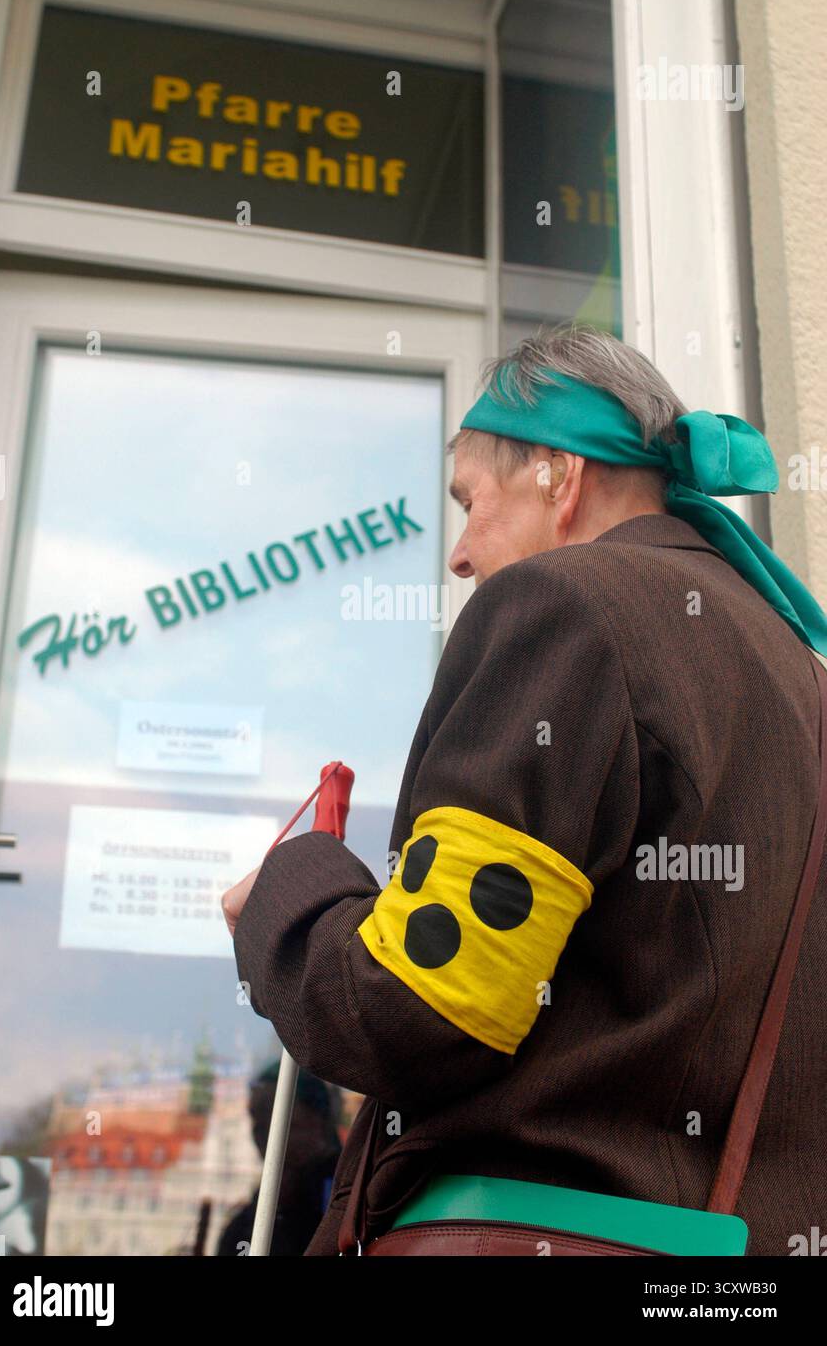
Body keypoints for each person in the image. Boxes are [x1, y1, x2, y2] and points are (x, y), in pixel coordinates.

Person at [222, 323, 827, 1256]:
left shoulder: (566, 607)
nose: (459, 556)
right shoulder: (804, 676)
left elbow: (422, 1005)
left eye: (470, 501)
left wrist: (287, 897)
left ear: (559, 474)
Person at [215, 1063, 343, 1257]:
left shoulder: (342, 1194)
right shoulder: (256, 1215)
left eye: (274, 1119)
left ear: (317, 1121)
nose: (261, 1135)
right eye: (257, 1122)